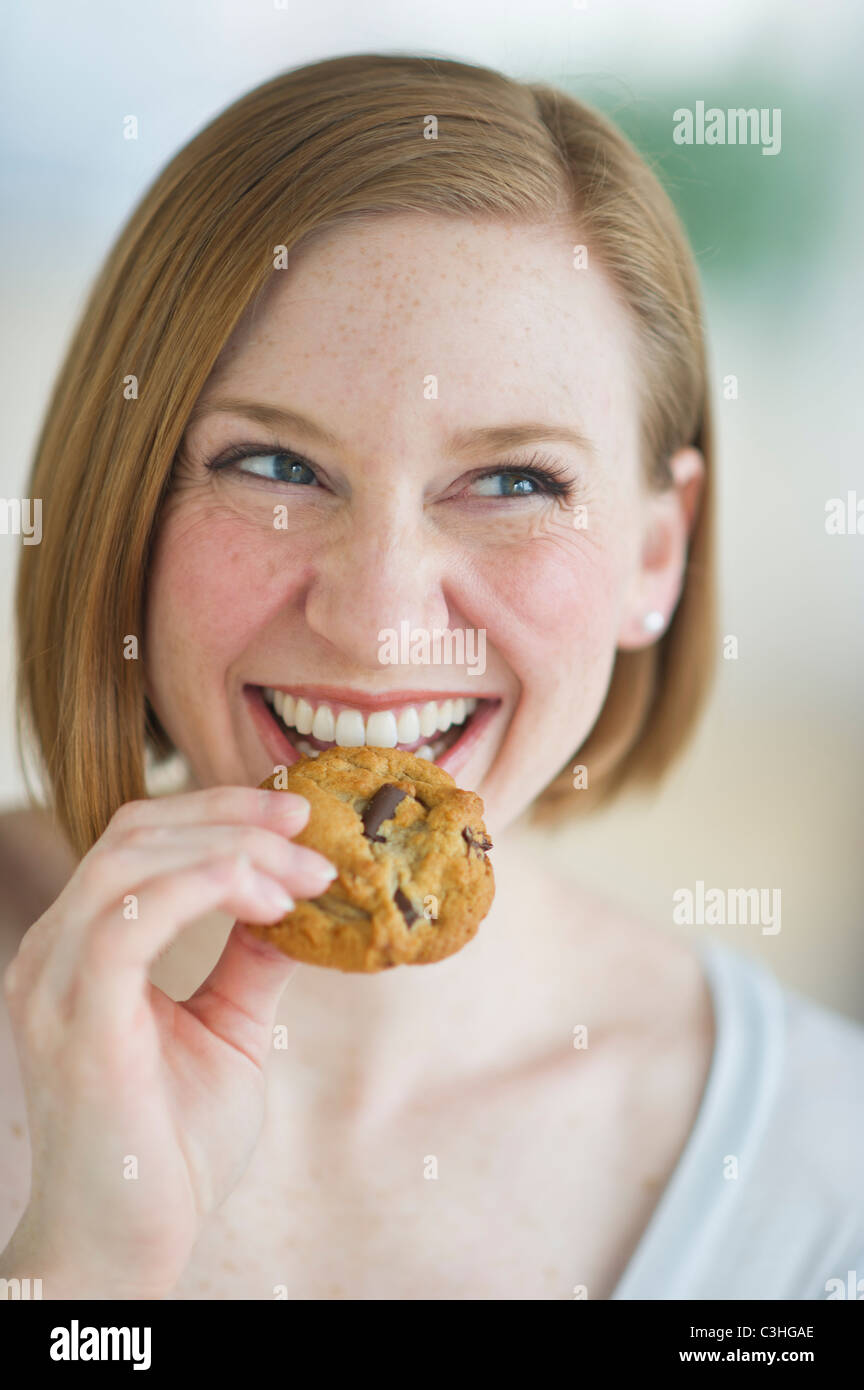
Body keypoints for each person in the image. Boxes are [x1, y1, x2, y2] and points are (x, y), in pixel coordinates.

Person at [1, 53, 861, 1302]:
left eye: (514, 481)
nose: (379, 621)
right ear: (127, 498)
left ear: (655, 553)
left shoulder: (823, 1181)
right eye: (275, 465)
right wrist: (75, 1281)